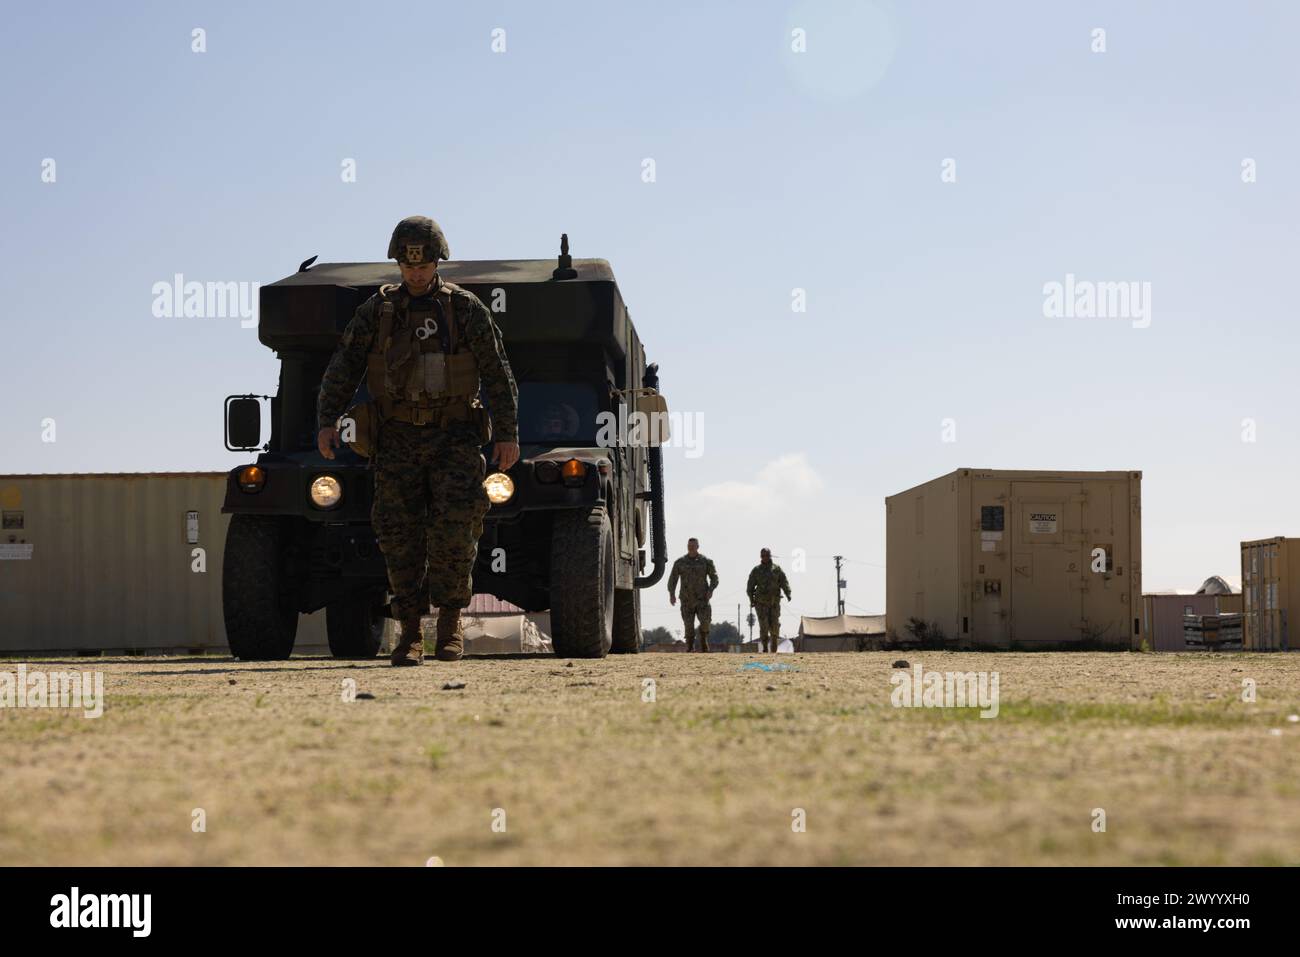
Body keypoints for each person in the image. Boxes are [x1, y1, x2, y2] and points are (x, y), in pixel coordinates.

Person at [316, 215, 519, 666]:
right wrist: (327, 421)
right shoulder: (378, 312)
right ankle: (408, 633)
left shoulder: (465, 309)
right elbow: (344, 367)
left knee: (456, 532)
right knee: (397, 534)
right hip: (396, 439)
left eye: (424, 265)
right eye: (408, 267)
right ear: (398, 264)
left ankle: (449, 625)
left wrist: (507, 433)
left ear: (436, 262)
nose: (416, 274)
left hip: (454, 437)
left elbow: (497, 373)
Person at [667, 537, 719, 652]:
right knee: (688, 624)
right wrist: (672, 594)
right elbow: (673, 579)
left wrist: (711, 590)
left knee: (705, 622)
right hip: (686, 599)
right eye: (689, 546)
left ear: (697, 547)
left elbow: (714, 578)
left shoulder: (706, 561)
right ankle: (690, 646)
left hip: (702, 599)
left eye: (693, 546)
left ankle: (704, 641)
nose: (691, 548)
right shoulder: (680, 562)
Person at [746, 547, 792, 653]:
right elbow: (750, 587)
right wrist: (751, 600)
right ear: (760, 557)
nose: (765, 557)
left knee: (774, 626)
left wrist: (788, 593)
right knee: (764, 626)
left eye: (767, 555)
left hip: (774, 603)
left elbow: (784, 582)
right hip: (761, 603)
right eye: (763, 556)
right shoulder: (756, 570)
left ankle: (774, 649)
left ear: (770, 556)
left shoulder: (776, 569)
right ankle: (765, 648)